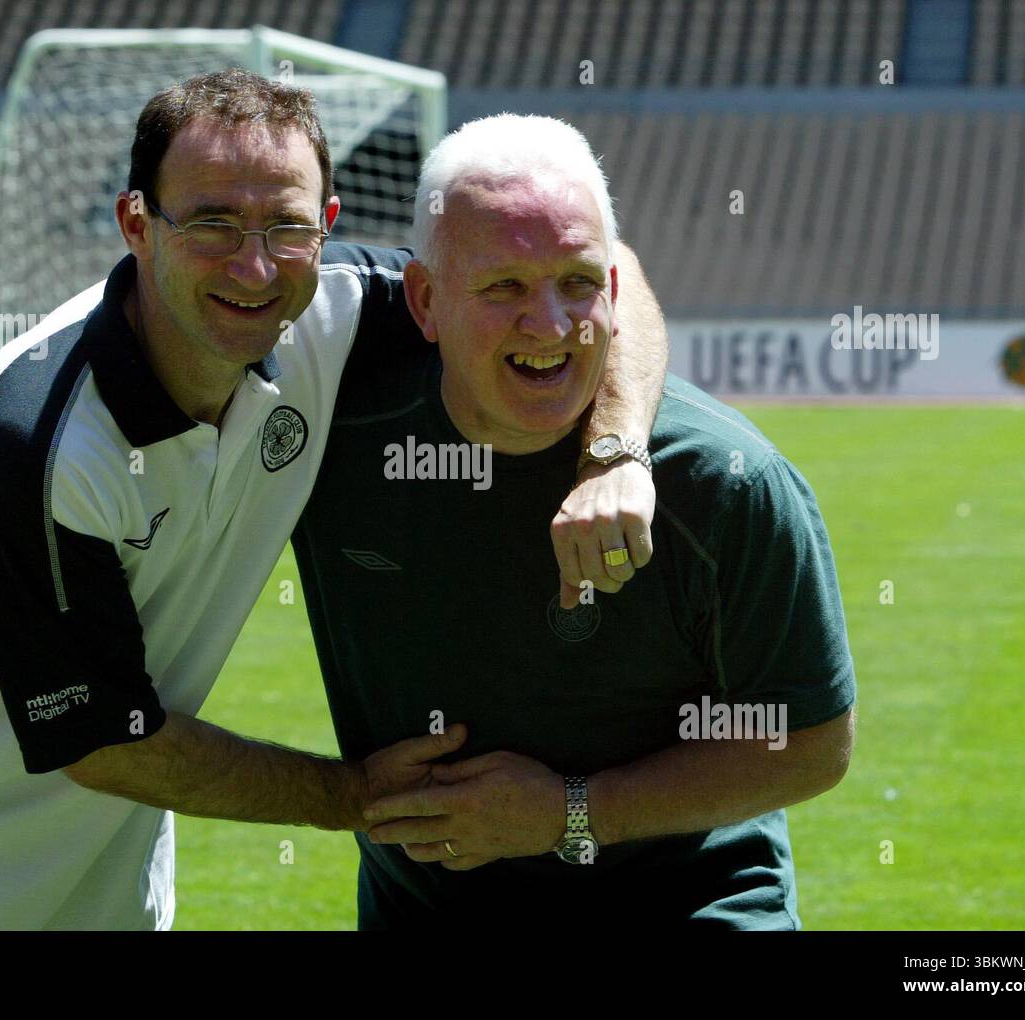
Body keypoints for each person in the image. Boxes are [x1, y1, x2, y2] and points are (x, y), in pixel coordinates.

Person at [0, 73, 667, 931]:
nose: (253, 265)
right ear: (138, 222)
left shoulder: (337, 312)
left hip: (103, 872)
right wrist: (351, 795)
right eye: (212, 223)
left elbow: (600, 263)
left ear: (326, 228)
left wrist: (617, 455)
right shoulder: (45, 442)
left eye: (285, 226)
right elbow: (103, 739)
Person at [291, 114, 858, 928]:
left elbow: (813, 743)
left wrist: (570, 813)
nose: (550, 325)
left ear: (615, 293)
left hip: (694, 906)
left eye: (577, 283)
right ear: (425, 300)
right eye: (504, 288)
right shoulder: (328, 423)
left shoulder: (727, 482)